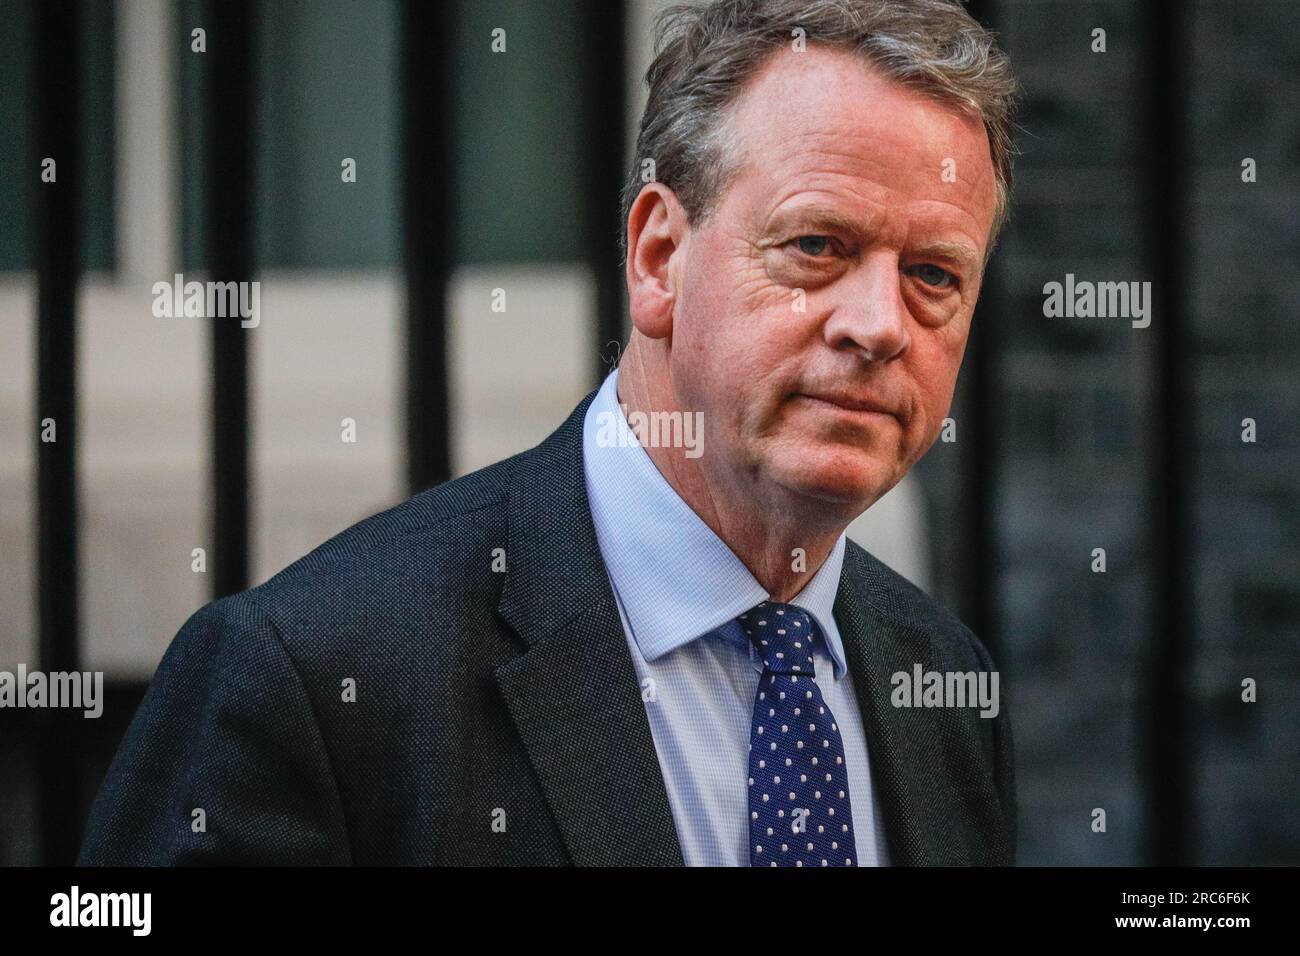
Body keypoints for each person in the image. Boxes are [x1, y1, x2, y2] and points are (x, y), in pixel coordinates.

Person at [80, 0, 1017, 867]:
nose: (881, 324)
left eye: (934, 275)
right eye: (818, 246)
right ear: (658, 260)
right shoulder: (313, 676)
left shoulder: (940, 680)